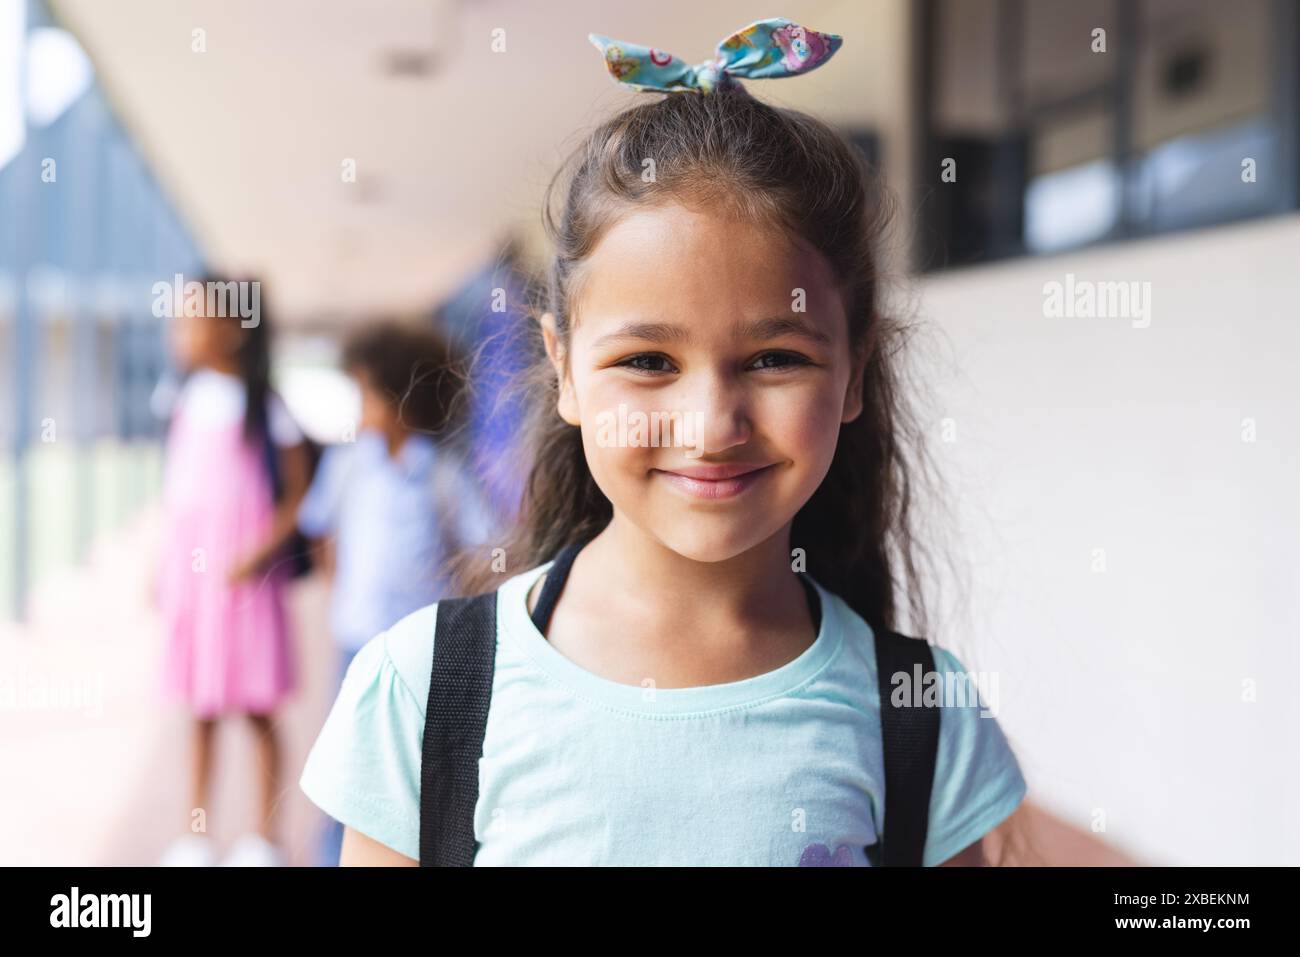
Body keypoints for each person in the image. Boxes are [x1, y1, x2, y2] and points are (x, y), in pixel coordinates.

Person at [299, 18, 1029, 866]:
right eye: (648, 359)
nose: (711, 424)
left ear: (854, 370)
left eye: (774, 358)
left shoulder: (918, 714)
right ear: (564, 369)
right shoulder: (427, 691)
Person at [298, 320, 497, 866]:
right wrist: (339, 589)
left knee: (417, 763)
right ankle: (331, 856)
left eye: (367, 393)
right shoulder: (348, 464)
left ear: (404, 399)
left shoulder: (442, 476)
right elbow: (319, 528)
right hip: (356, 639)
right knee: (347, 759)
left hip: (425, 648)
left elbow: (479, 551)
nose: (359, 406)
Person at [156, 276, 310, 866]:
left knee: (256, 706)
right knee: (199, 705)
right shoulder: (183, 400)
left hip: (246, 584)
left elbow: (296, 494)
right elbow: (176, 495)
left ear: (232, 328)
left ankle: (262, 838)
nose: (180, 330)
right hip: (196, 584)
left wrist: (258, 551)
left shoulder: (265, 407)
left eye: (192, 317)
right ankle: (195, 835)